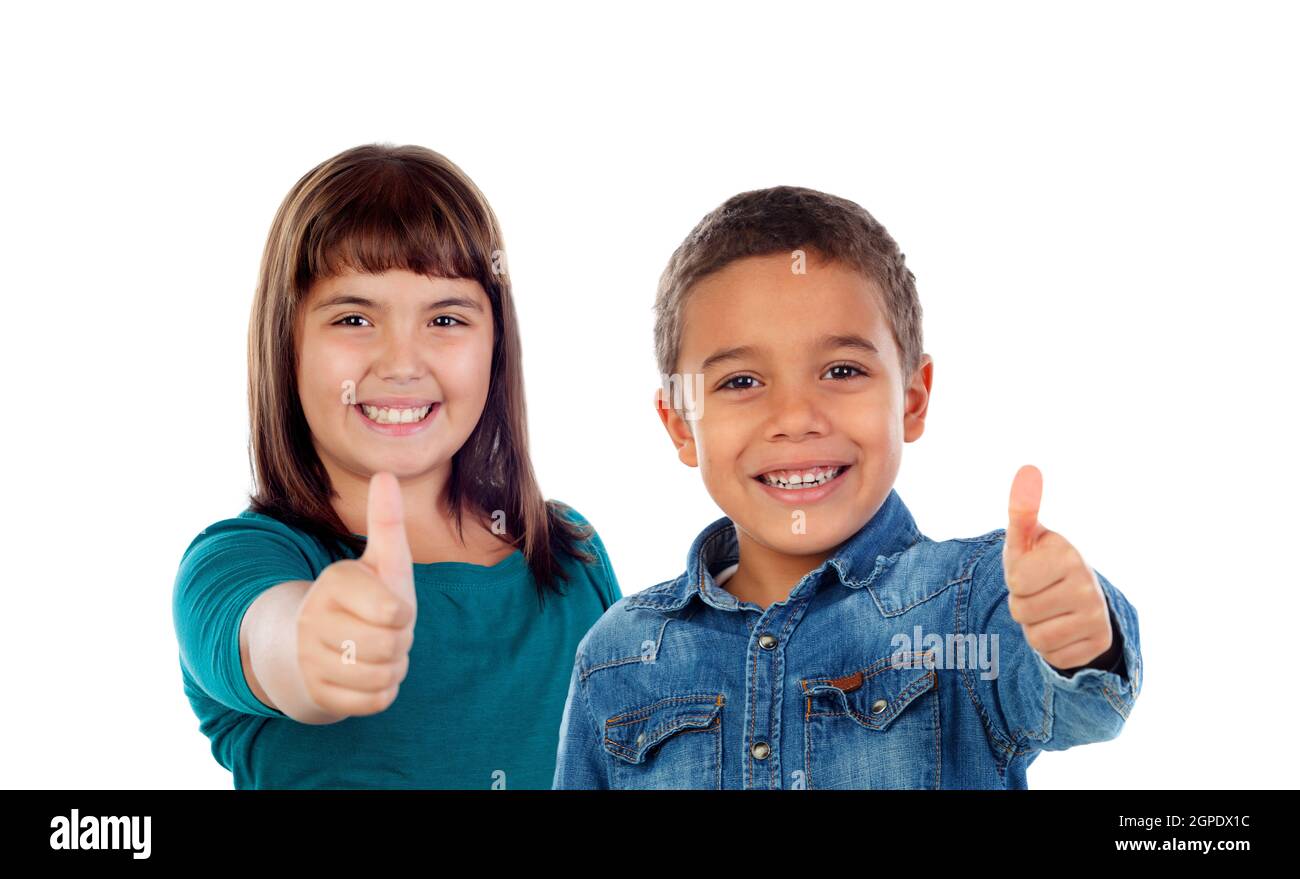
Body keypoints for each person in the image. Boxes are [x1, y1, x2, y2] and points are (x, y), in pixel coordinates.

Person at [553, 186, 1141, 789]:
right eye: (741, 381)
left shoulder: (973, 602)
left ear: (912, 398)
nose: (796, 415)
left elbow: (1082, 708)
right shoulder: (618, 655)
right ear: (681, 424)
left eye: (842, 371)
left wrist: (1079, 637)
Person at [173, 143, 620, 789]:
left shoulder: (572, 554)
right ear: (288, 342)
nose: (402, 363)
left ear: (496, 346)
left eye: (445, 317)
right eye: (354, 317)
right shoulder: (239, 562)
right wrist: (322, 641)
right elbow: (274, 639)